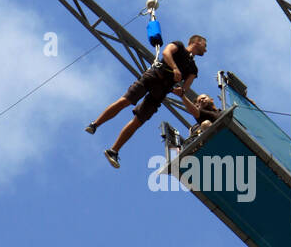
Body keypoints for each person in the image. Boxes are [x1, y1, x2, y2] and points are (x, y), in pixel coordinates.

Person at [85, 35, 207, 167]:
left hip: (161, 91)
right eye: (204, 46)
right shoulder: (179, 46)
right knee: (125, 101)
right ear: (197, 42)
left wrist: (180, 91)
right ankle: (95, 124)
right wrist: (175, 68)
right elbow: (166, 53)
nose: (205, 50)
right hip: (153, 77)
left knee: (138, 121)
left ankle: (113, 150)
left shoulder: (193, 69)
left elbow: (186, 87)